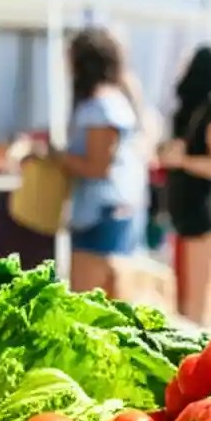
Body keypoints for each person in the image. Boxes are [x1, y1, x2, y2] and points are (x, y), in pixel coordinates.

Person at [52, 27, 150, 295]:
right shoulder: (114, 100)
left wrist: (58, 157)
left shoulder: (101, 106)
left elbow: (98, 166)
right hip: (113, 210)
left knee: (89, 301)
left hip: (102, 213)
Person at [162, 45, 211, 325]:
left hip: (200, 211)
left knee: (197, 303)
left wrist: (182, 161)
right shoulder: (201, 109)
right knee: (194, 302)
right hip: (197, 210)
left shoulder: (203, 110)